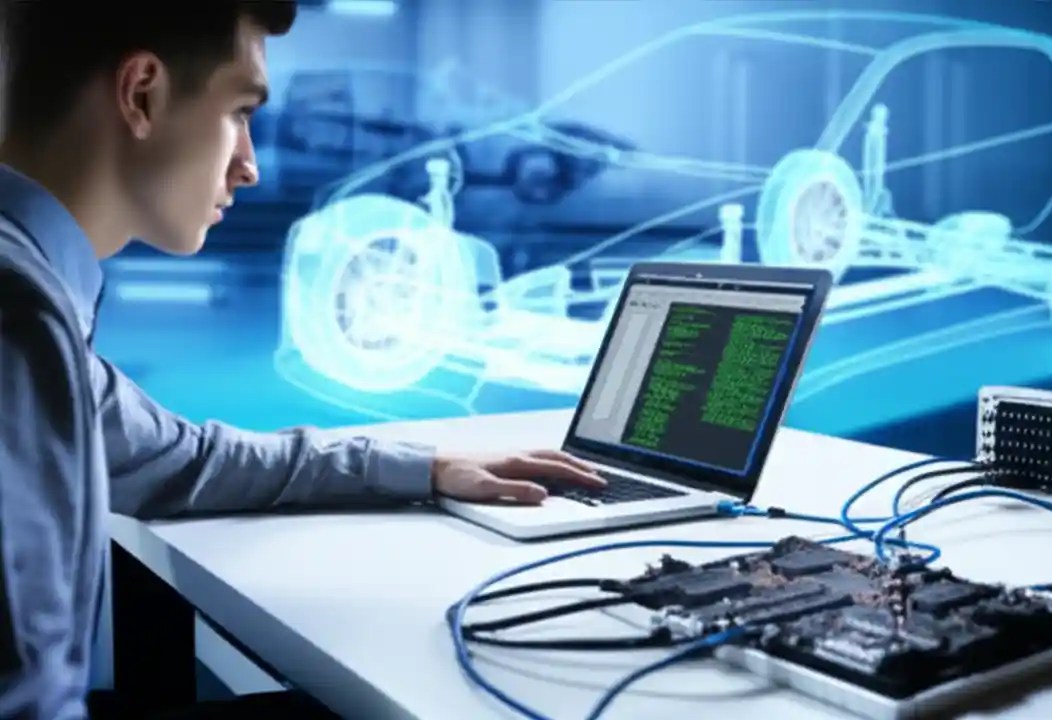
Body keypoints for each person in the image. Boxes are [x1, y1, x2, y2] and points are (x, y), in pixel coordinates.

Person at [0, 1, 604, 718]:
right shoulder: (19, 324)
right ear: (142, 95)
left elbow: (183, 460)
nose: (248, 165)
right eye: (240, 111)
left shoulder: (33, 301)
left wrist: (425, 467)